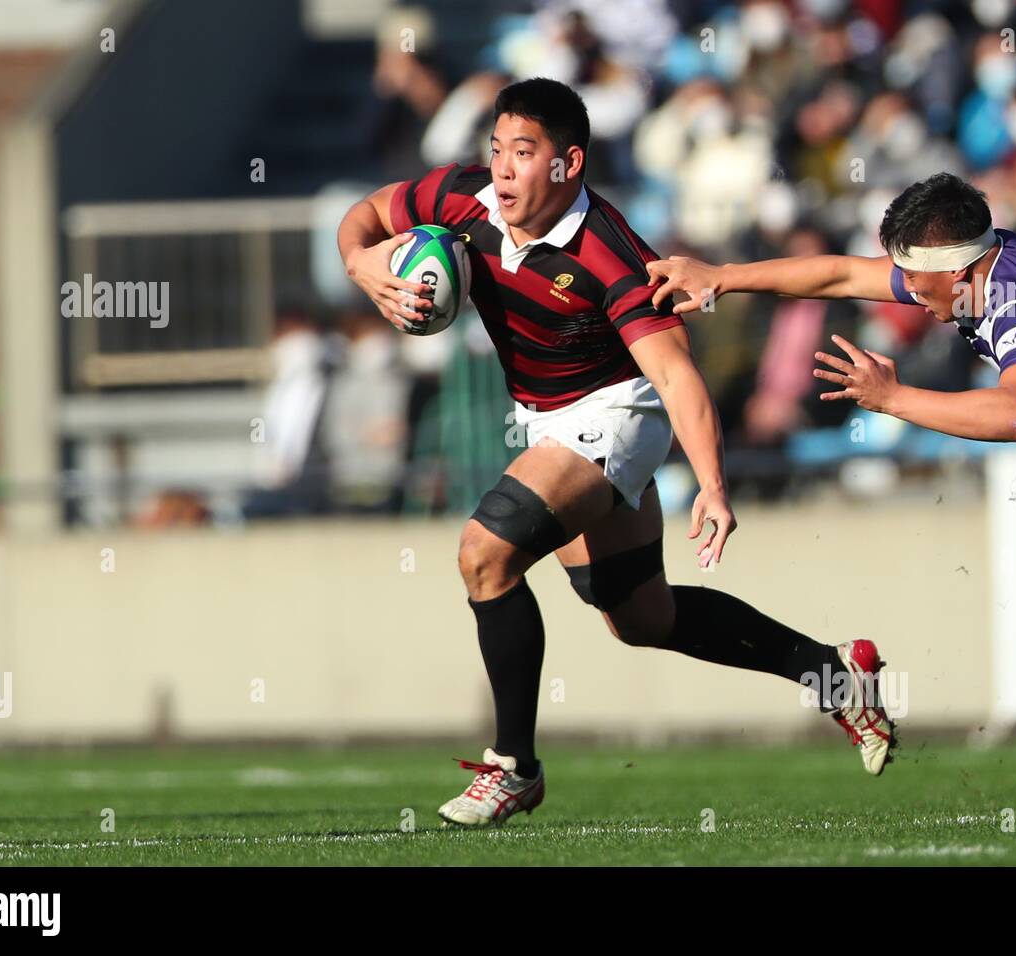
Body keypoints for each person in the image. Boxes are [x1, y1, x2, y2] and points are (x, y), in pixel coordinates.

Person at [337, 78, 896, 827]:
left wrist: (713, 486)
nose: (502, 168)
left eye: (523, 153)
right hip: (545, 420)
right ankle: (832, 673)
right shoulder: (465, 199)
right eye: (497, 149)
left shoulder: (608, 252)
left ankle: (514, 767)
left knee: (484, 554)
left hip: (616, 415)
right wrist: (361, 263)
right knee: (640, 619)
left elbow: (676, 376)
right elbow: (367, 212)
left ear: (567, 165)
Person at [648, 171, 1016, 804]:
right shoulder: (978, 273)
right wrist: (722, 276)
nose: (907, 291)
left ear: (958, 269)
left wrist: (892, 399)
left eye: (915, 277)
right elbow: (838, 275)